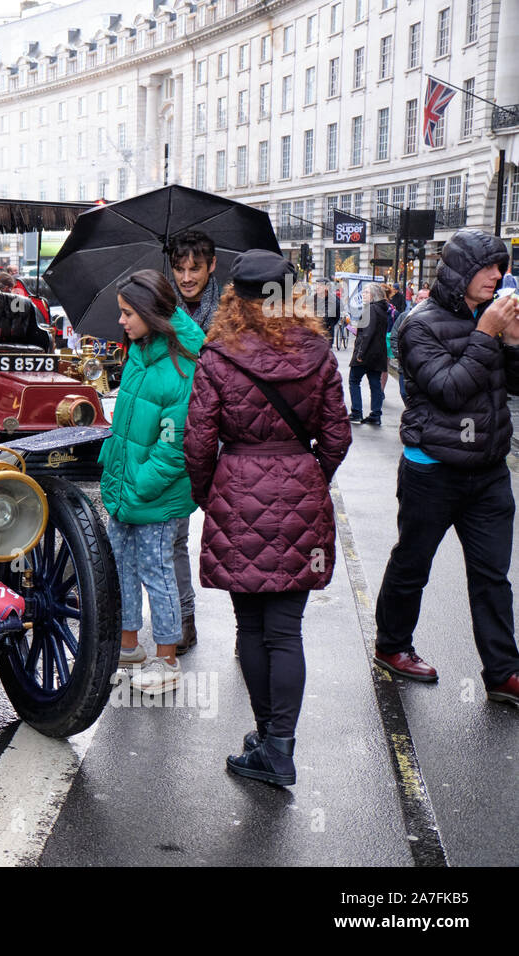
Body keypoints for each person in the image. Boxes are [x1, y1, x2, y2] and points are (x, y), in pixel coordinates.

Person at [184, 251, 352, 787]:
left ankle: (270, 744)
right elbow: (337, 436)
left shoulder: (217, 355)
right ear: (291, 296)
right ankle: (278, 743)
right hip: (301, 484)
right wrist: (309, 476)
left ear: (233, 297)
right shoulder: (319, 352)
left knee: (251, 627)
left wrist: (212, 492)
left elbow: (197, 441)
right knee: (286, 629)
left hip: (236, 488)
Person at [372, 229, 519, 706]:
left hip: (490, 471)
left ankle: (503, 672)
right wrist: (487, 335)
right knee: (413, 564)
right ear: (460, 272)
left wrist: (514, 344)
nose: (498, 276)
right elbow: (450, 390)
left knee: (493, 577)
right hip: (432, 470)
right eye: (488, 267)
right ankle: (392, 646)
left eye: (501, 267)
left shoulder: (492, 316)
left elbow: (510, 386)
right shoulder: (418, 324)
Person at [97, 269, 204, 694]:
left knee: (157, 573)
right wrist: (114, 470)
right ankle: (128, 646)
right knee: (120, 565)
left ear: (148, 312)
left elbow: (172, 446)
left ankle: (167, 658)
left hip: (155, 495)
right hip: (128, 490)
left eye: (127, 313)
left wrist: (138, 484)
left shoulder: (180, 367)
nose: (121, 321)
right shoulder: (139, 354)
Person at [165, 229, 222, 652]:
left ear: (211, 266)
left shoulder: (230, 315)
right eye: (180, 268)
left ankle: (251, 631)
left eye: (195, 268)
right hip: (173, 436)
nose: (187, 277)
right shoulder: (158, 310)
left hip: (221, 438)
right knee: (173, 537)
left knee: (238, 535)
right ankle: (183, 619)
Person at [348, 281, 389, 426]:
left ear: (373, 295)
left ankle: (356, 412)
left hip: (366, 353)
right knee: (375, 384)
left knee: (354, 381)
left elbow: (368, 333)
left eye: (366, 292)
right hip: (378, 354)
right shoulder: (382, 309)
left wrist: (360, 353)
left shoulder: (370, 309)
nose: (363, 294)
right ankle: (376, 414)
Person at [167, 229, 220, 333]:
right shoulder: (158, 307)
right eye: (179, 269)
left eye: (194, 269)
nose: (186, 279)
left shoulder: (230, 311)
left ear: (212, 264)